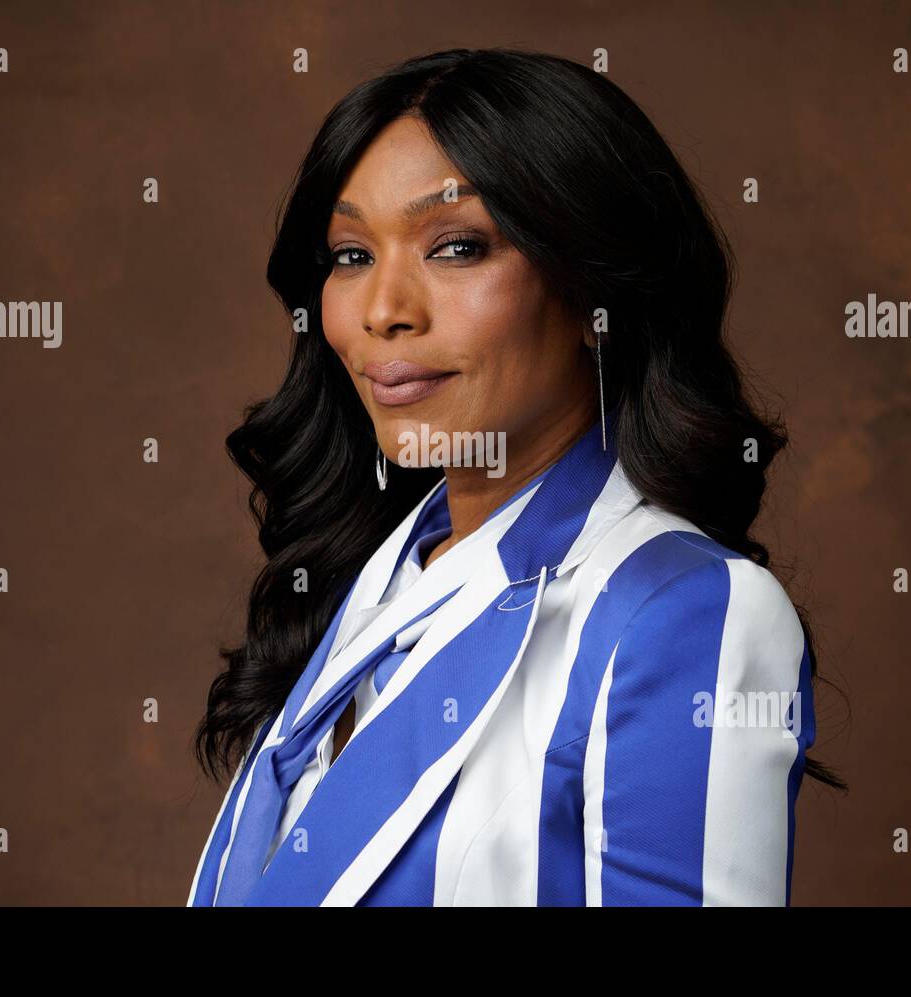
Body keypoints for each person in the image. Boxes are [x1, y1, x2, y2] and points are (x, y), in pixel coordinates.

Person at [188, 47, 844, 907]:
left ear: (592, 297)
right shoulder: (366, 588)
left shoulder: (682, 614)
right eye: (350, 255)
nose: (385, 309)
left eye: (456, 247)